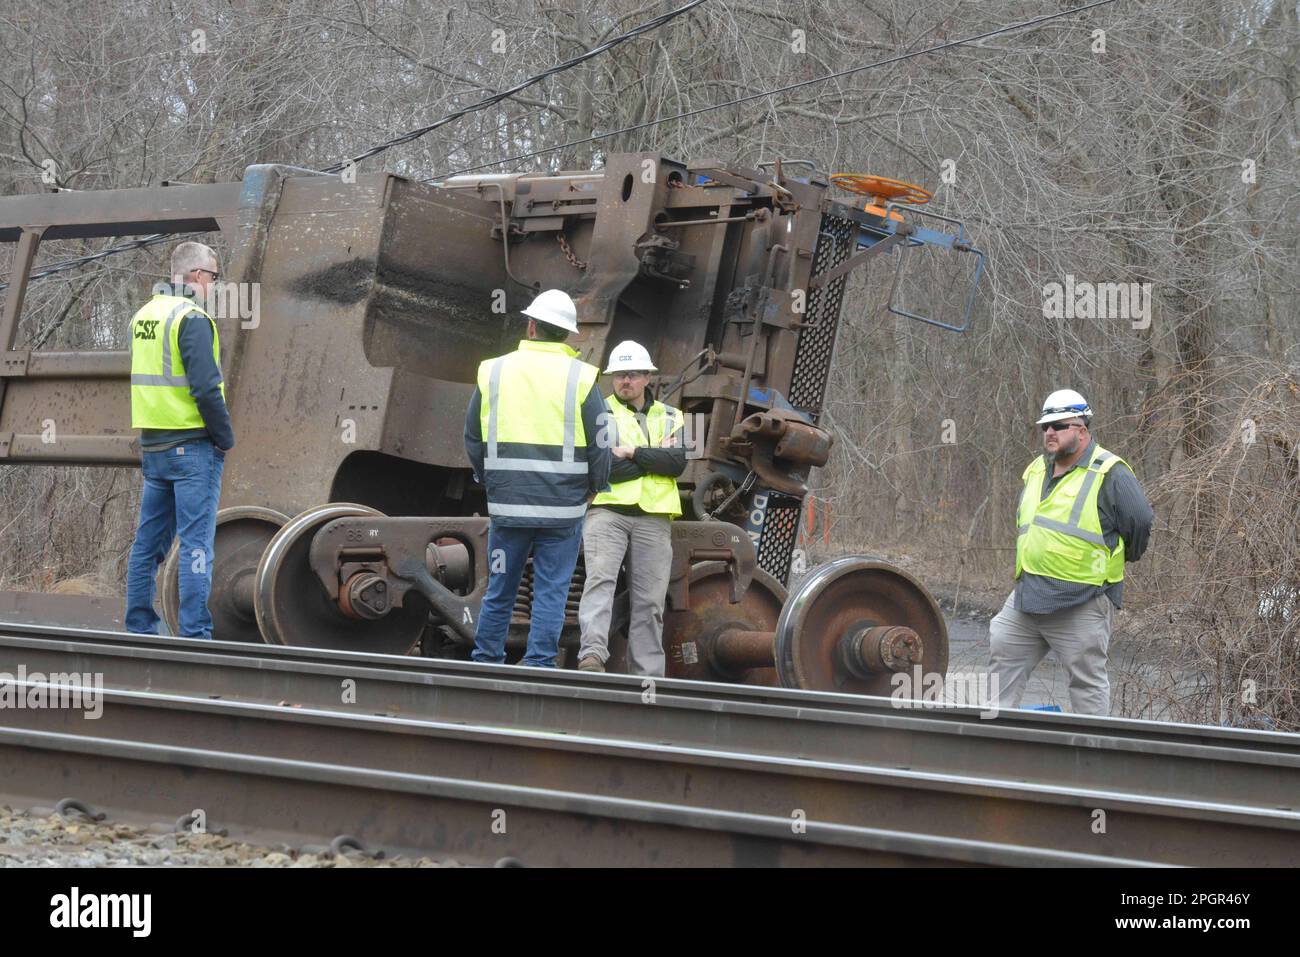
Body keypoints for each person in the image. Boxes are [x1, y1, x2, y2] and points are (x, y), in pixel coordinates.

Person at [464, 289, 611, 667]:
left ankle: (485, 659)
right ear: (567, 335)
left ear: (530, 326)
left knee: (500, 587)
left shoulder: (493, 369)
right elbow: (600, 442)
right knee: (552, 590)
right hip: (562, 512)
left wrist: (488, 479)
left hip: (507, 507)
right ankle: (539, 664)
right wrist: (595, 487)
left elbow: (472, 437)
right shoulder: (581, 377)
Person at [988, 389, 1154, 715]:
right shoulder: (1037, 469)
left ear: (1081, 429)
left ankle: (1091, 757)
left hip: (1081, 600)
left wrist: (1117, 560)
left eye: (1059, 425)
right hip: (1027, 597)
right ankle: (993, 747)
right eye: (1045, 426)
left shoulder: (1109, 472)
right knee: (1001, 662)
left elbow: (1140, 521)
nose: (1049, 432)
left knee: (1086, 685)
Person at [125, 241, 234, 639]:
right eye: (215, 278)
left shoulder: (144, 317)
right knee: (196, 547)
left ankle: (139, 627)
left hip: (154, 447)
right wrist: (224, 438)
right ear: (198, 276)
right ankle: (194, 636)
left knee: (147, 545)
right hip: (192, 447)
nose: (215, 287)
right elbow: (207, 389)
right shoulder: (191, 317)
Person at [576, 341, 685, 676]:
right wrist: (654, 456)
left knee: (650, 601)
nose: (626, 380)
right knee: (600, 583)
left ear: (648, 377)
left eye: (633, 374)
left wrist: (632, 452)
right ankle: (592, 657)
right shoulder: (596, 413)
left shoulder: (677, 416)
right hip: (607, 512)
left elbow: (679, 463)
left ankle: (647, 676)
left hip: (653, 518)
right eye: (620, 375)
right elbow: (603, 468)